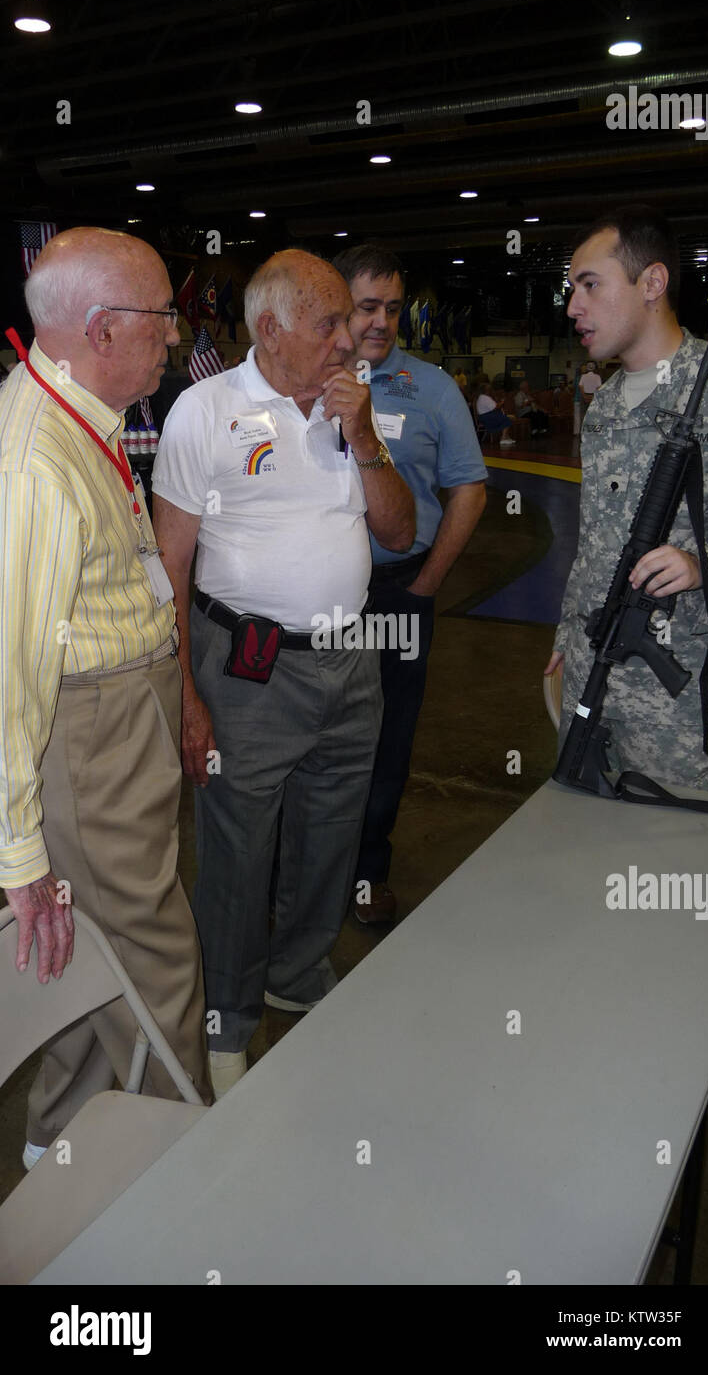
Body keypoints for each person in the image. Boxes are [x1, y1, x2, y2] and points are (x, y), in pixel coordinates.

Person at [152, 249, 414, 1096]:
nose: (351, 340)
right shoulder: (207, 411)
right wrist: (186, 694)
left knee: (331, 833)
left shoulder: (355, 409)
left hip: (350, 662)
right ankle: (224, 1016)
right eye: (329, 323)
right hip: (248, 672)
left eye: (351, 322)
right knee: (236, 846)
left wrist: (364, 437)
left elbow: (400, 535)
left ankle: (297, 977)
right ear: (269, 329)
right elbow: (171, 564)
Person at [0, 227, 213, 1169]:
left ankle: (64, 1143)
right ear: (101, 328)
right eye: (163, 316)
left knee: (88, 958)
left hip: (107, 726)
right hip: (89, 739)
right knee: (156, 953)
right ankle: (184, 1166)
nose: (176, 335)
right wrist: (17, 851)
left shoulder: (74, 408)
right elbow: (9, 667)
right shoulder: (38, 461)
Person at [545, 206, 708, 790]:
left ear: (652, 283)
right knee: (579, 848)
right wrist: (565, 634)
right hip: (592, 679)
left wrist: (705, 567)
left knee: (677, 870)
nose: (573, 306)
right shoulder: (603, 407)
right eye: (571, 288)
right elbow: (593, 538)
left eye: (590, 285)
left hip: (680, 706)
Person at [333, 244, 487, 924]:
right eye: (367, 305)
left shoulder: (430, 388)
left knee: (387, 737)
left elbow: (470, 490)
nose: (381, 321)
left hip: (396, 592)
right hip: (315, 597)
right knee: (308, 733)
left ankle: (367, 872)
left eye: (392, 308)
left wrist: (426, 584)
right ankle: (298, 870)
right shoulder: (304, 383)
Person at [474, 377, 515, 447]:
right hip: (487, 417)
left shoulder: (481, 397)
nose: (491, 391)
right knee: (507, 419)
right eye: (489, 389)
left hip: (484, 416)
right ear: (486, 390)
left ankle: (506, 437)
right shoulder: (485, 397)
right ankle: (503, 438)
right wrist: (502, 402)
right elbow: (495, 407)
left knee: (505, 418)